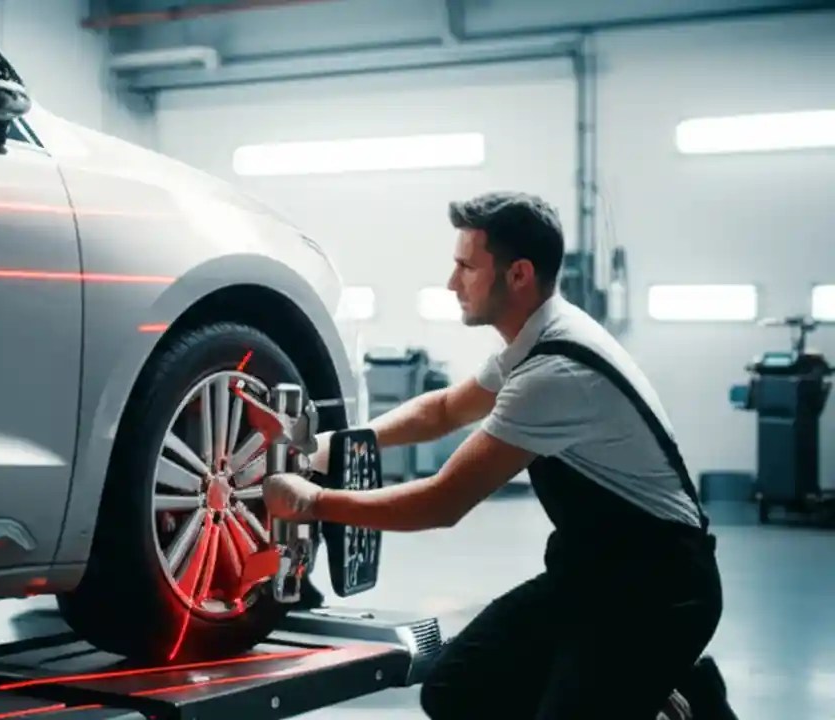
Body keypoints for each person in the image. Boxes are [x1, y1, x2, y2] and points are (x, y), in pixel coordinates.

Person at [263, 192, 738, 719]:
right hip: (589, 577)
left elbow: (442, 502)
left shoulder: (553, 375)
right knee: (456, 690)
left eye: (466, 267)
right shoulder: (537, 340)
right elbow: (443, 409)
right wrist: (341, 442)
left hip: (660, 595)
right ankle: (648, 687)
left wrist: (314, 502)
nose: (451, 283)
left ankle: (669, 688)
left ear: (518, 275)